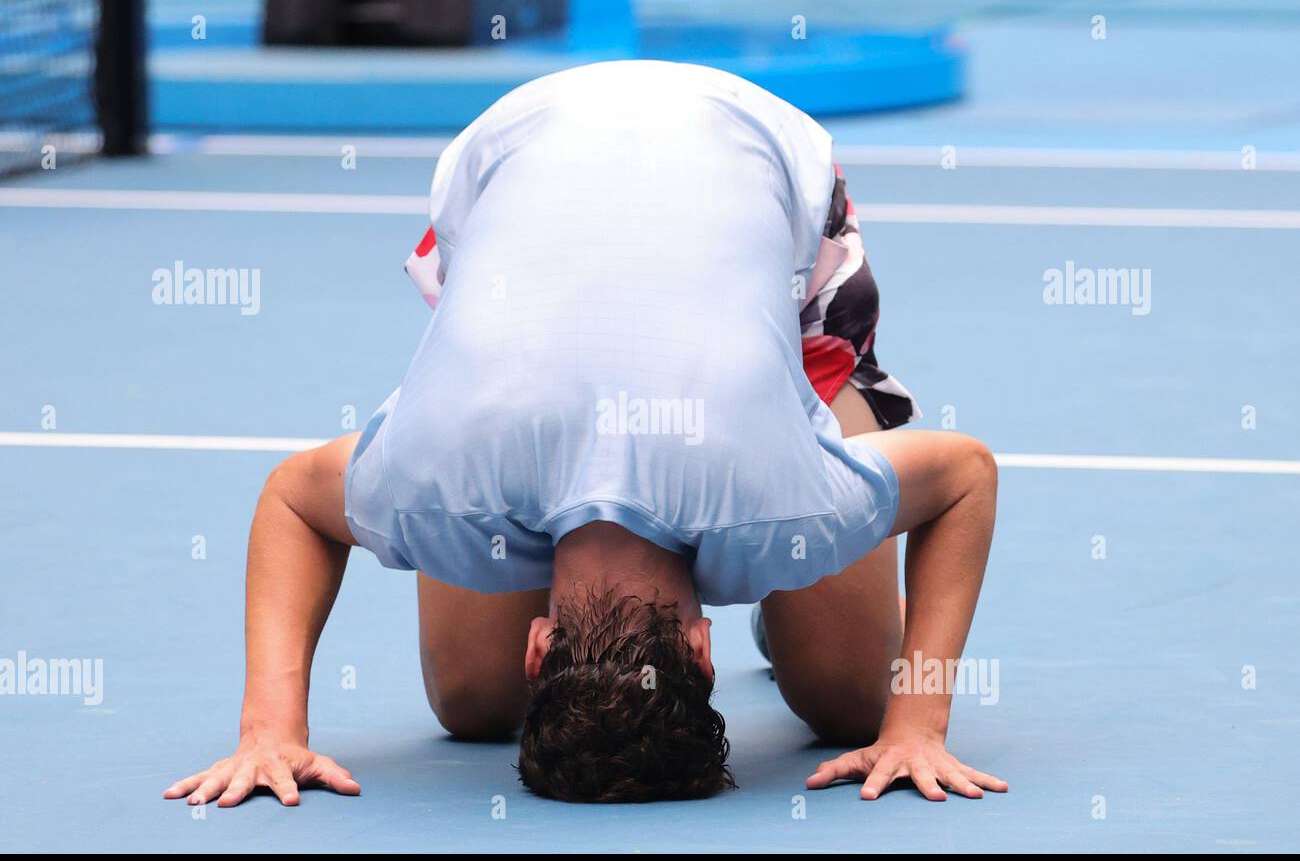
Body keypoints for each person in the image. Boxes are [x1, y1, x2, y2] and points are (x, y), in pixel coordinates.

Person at [164, 60, 1006, 806]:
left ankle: (807, 606)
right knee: (475, 703)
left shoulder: (783, 508)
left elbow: (966, 473)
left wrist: (912, 723)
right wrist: (268, 730)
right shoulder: (445, 485)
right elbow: (293, 500)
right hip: (522, 150)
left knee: (852, 700)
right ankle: (808, 601)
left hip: (684, 151)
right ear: (542, 647)